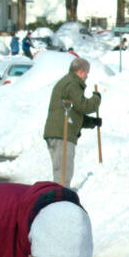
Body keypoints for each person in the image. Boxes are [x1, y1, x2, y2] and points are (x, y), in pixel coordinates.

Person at [43, 56, 101, 187]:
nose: (87, 77)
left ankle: (60, 198)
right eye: (87, 73)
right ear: (81, 71)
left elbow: (73, 112)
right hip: (62, 134)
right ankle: (60, 201)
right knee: (63, 175)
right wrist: (96, 99)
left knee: (62, 172)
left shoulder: (67, 83)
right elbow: (83, 106)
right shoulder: (72, 84)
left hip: (59, 132)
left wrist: (92, 122)